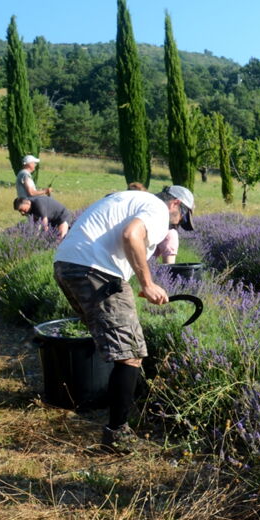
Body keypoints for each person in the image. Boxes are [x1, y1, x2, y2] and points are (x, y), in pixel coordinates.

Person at [53, 185, 195, 452]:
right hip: (97, 272)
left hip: (68, 266)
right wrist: (148, 282)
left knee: (120, 347)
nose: (178, 224)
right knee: (130, 353)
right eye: (183, 217)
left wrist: (135, 280)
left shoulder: (131, 198)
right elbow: (132, 235)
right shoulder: (157, 208)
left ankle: (121, 414)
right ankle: (118, 436)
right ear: (175, 203)